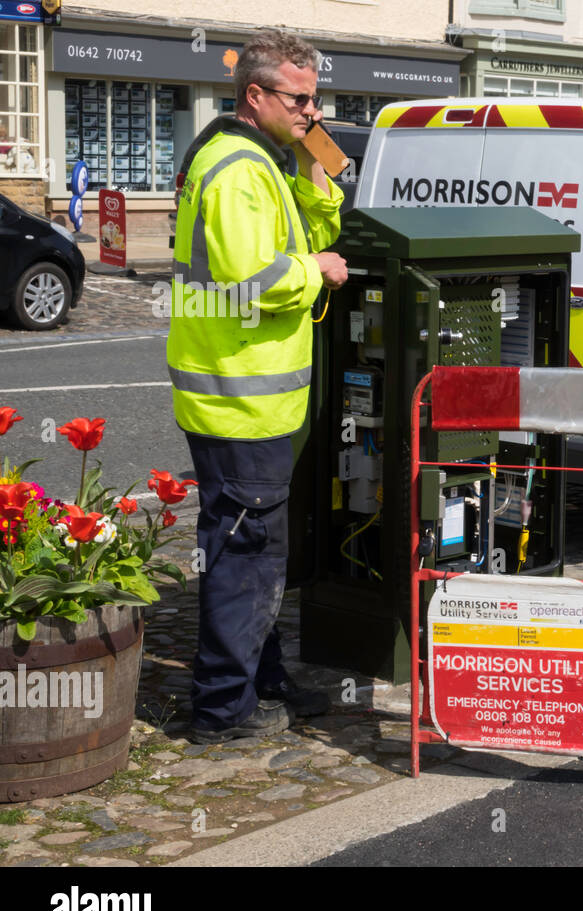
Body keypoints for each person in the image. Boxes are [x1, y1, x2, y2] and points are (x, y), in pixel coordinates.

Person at [168, 29, 348, 744]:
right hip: (240, 401)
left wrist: (316, 173)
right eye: (300, 99)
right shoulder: (240, 169)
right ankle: (222, 711)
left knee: (255, 551)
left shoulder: (264, 161)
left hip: (247, 398)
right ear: (256, 95)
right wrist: (320, 274)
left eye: (314, 98)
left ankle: (260, 679)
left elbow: (303, 235)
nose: (312, 111)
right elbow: (256, 279)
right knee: (244, 556)